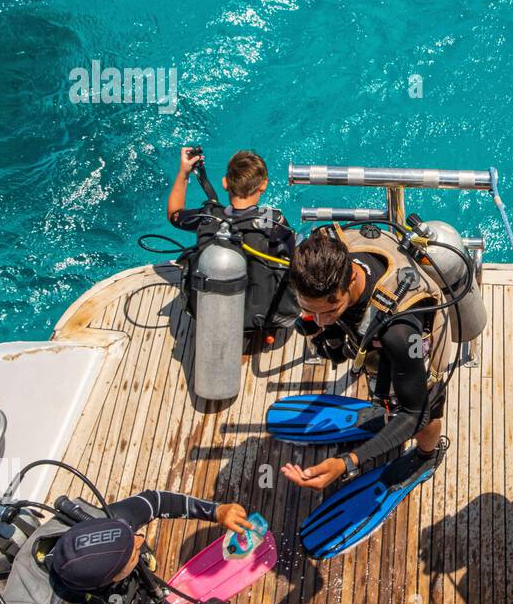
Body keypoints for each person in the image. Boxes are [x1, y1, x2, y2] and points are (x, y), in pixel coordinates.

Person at [278, 224, 455, 492]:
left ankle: (426, 455)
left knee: (426, 420)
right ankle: (386, 415)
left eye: (329, 310)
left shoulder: (399, 332)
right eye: (309, 310)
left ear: (351, 279)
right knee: (386, 397)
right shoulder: (324, 270)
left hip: (415, 358)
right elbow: (325, 316)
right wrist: (320, 323)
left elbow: (416, 413)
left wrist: (347, 462)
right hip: (375, 345)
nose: (321, 322)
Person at [0, 488, 253, 604]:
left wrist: (216, 511)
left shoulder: (105, 524)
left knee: (145, 567)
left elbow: (154, 502)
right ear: (103, 581)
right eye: (131, 552)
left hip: (110, 594)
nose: (139, 540)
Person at [167, 147, 299, 333]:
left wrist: (184, 172)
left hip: (207, 315)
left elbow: (174, 215)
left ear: (225, 183)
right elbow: (293, 260)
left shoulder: (209, 218)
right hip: (261, 318)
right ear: (263, 185)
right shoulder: (274, 221)